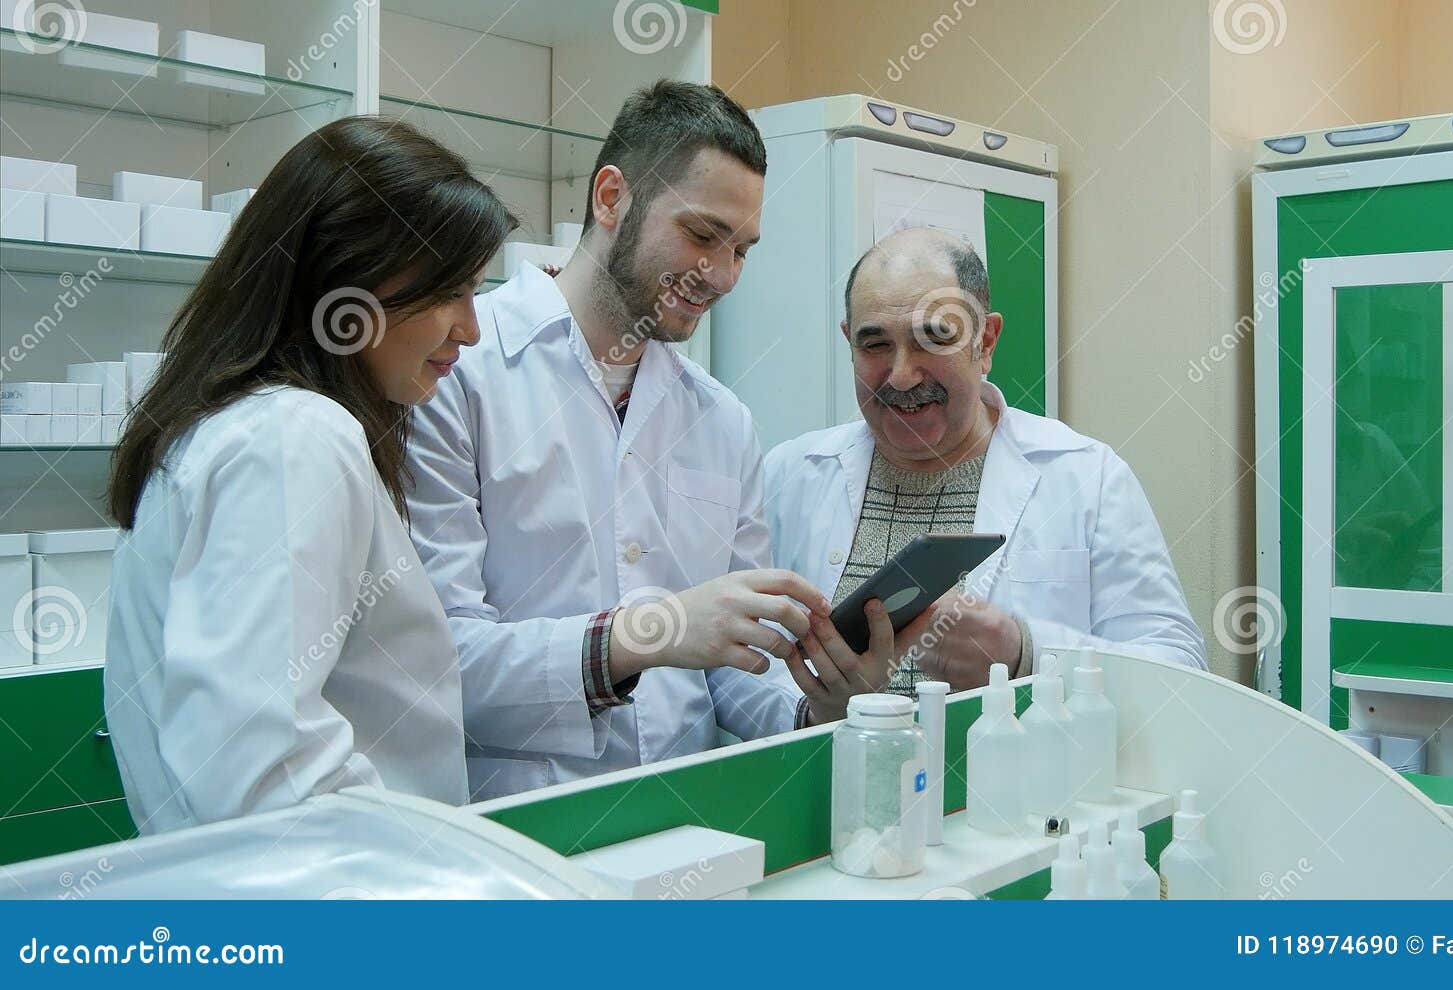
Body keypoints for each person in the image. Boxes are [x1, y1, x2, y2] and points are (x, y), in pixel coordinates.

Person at [406, 80, 883, 801]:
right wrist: (652, 631)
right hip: (516, 826)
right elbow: (439, 661)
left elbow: (725, 664)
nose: (721, 275)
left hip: (683, 818)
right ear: (610, 198)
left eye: (743, 250)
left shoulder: (722, 422)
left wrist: (818, 706)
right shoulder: (456, 377)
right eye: (701, 235)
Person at [103, 117, 516, 834]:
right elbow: (267, 775)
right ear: (346, 282)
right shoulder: (293, 439)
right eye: (451, 290)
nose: (470, 329)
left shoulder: (245, 427)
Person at [763, 227, 1207, 696]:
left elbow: (1178, 670)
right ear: (848, 341)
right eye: (875, 345)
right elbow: (733, 674)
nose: (901, 375)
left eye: (933, 339)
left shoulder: (1087, 477)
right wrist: (808, 714)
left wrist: (1025, 654)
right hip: (836, 768)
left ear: (986, 341)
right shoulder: (790, 476)